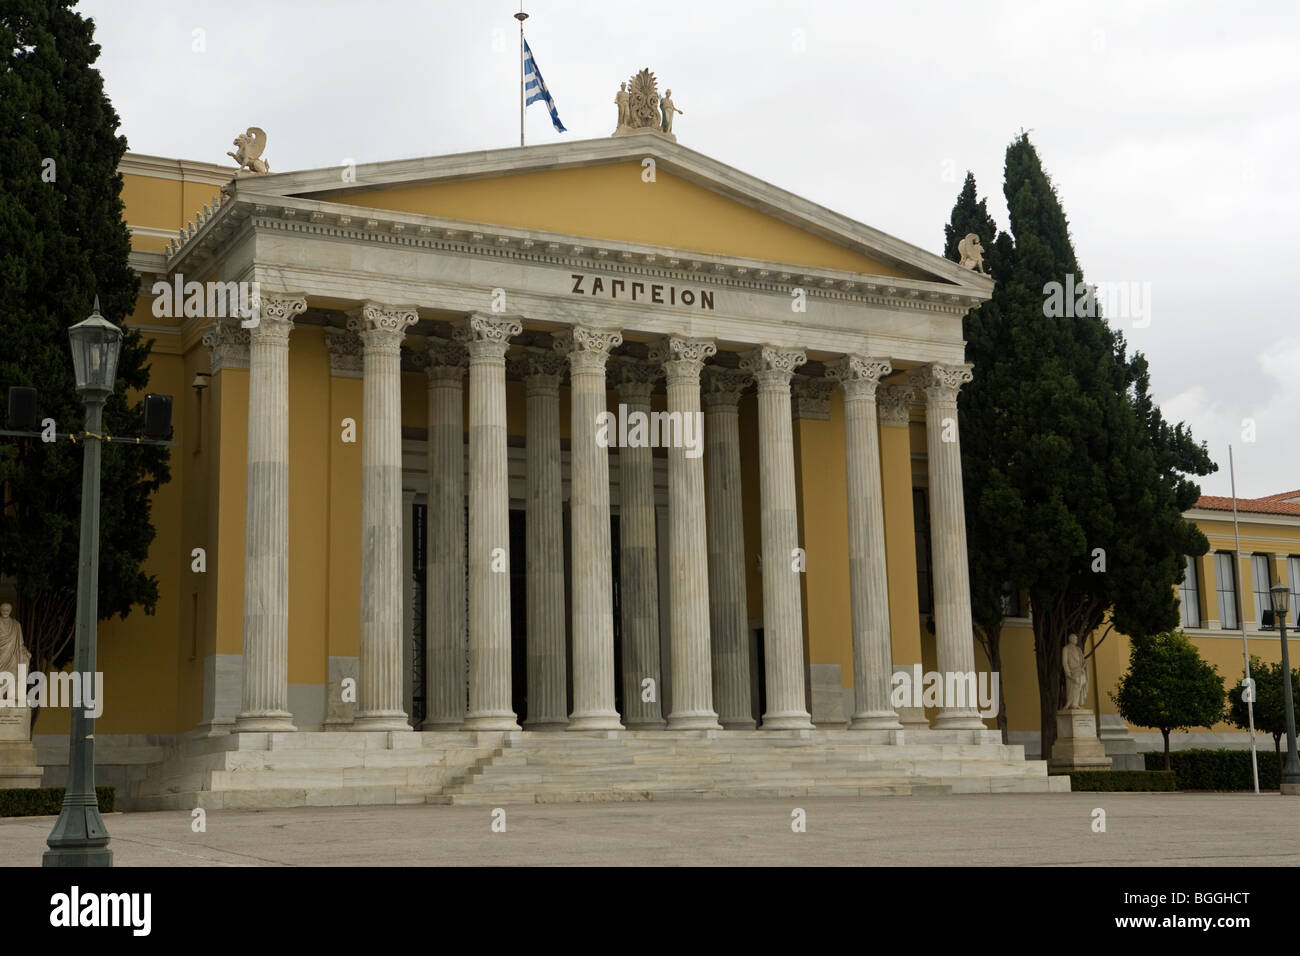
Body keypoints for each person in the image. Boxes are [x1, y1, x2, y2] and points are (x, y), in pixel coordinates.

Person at [0, 603, 28, 680]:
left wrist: (24, 650)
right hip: (1, 651)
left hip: (12, 652)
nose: (5, 611)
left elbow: (20, 642)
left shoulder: (16, 624)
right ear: (0, 610)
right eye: (3, 610)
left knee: (24, 658)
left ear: (10, 611)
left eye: (7, 610)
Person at [1062, 632, 1088, 709]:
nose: (1076, 639)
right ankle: (1070, 703)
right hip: (1072, 672)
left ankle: (1075, 703)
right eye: (1075, 638)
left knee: (1079, 687)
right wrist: (1068, 673)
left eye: (1076, 638)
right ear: (1071, 639)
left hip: (1080, 671)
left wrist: (1084, 665)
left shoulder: (1078, 649)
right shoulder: (1066, 649)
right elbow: (1065, 662)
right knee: (1072, 688)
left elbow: (1082, 660)